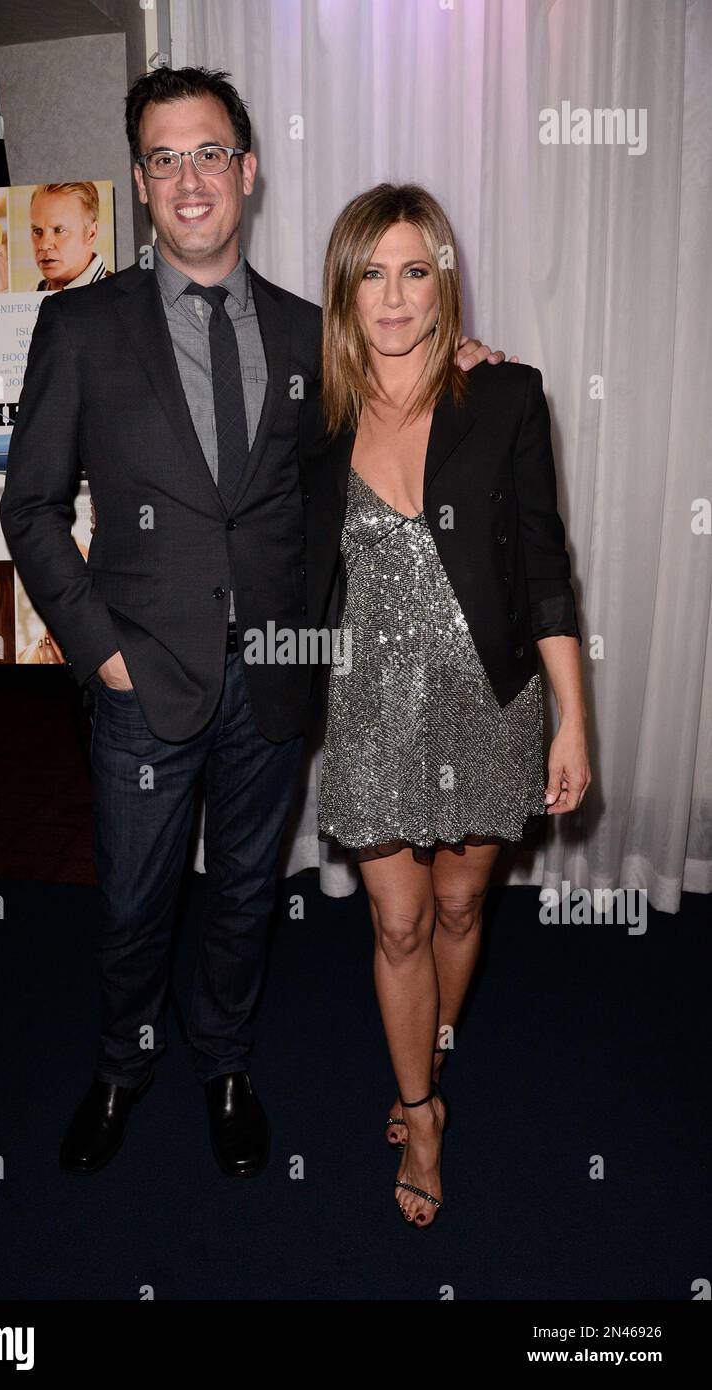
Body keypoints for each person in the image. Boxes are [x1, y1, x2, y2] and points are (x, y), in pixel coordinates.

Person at [0, 65, 509, 1182]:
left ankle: (224, 1061)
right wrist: (104, 653)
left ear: (248, 169)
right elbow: (27, 507)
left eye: (210, 153)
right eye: (165, 158)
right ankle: (123, 1066)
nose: (191, 179)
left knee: (242, 894)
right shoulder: (79, 326)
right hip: (141, 683)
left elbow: (387, 422)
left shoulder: (303, 335)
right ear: (140, 183)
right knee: (134, 903)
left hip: (276, 682)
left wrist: (460, 365)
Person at [300, 183, 591, 1228]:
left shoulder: (506, 396)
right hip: (371, 707)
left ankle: (429, 1048)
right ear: (344, 288)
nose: (391, 295)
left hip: (489, 697)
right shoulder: (316, 412)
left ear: (443, 283)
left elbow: (547, 568)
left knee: (462, 906)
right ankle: (422, 1111)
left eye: (413, 269)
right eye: (370, 272)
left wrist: (573, 717)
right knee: (397, 921)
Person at [29, 183, 114, 291]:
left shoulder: (120, 298)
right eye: (37, 231)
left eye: (59, 230)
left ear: (91, 234)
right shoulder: (30, 292)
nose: (44, 245)